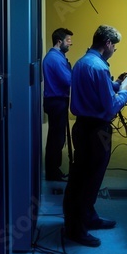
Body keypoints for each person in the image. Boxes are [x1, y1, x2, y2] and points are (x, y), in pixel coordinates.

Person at [63, 25, 127, 247]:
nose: (114, 49)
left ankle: (88, 218)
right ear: (107, 43)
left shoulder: (82, 63)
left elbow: (97, 89)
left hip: (83, 127)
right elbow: (109, 108)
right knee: (89, 180)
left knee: (81, 176)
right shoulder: (99, 67)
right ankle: (76, 230)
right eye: (114, 45)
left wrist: (116, 84)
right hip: (96, 130)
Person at [42, 28, 74, 181]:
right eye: (68, 40)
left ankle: (53, 170)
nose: (70, 43)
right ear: (59, 41)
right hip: (57, 101)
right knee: (57, 139)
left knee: (55, 137)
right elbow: (68, 80)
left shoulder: (54, 57)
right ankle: (53, 172)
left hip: (54, 101)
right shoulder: (55, 59)